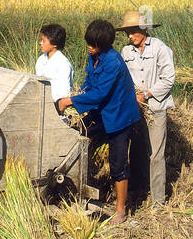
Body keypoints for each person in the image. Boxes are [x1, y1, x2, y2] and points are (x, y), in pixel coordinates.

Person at [55, 19, 139, 225]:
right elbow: (89, 83)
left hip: (119, 116)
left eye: (93, 44)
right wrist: (80, 93)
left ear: (103, 44)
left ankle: (120, 211)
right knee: (78, 137)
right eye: (88, 43)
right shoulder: (95, 57)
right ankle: (75, 187)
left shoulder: (113, 62)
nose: (89, 47)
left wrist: (69, 101)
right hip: (102, 112)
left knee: (118, 163)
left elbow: (100, 94)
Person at [117, 10, 176, 206]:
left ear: (144, 30)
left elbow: (168, 79)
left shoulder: (159, 49)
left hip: (155, 108)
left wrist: (147, 94)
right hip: (135, 109)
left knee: (156, 155)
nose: (130, 36)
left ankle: (158, 200)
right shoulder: (126, 52)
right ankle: (137, 191)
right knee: (136, 150)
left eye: (133, 31)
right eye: (128, 32)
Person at [35, 23, 74, 116]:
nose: (40, 43)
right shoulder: (41, 60)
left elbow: (64, 93)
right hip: (39, 104)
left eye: (44, 41)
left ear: (54, 44)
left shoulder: (63, 64)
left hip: (56, 108)